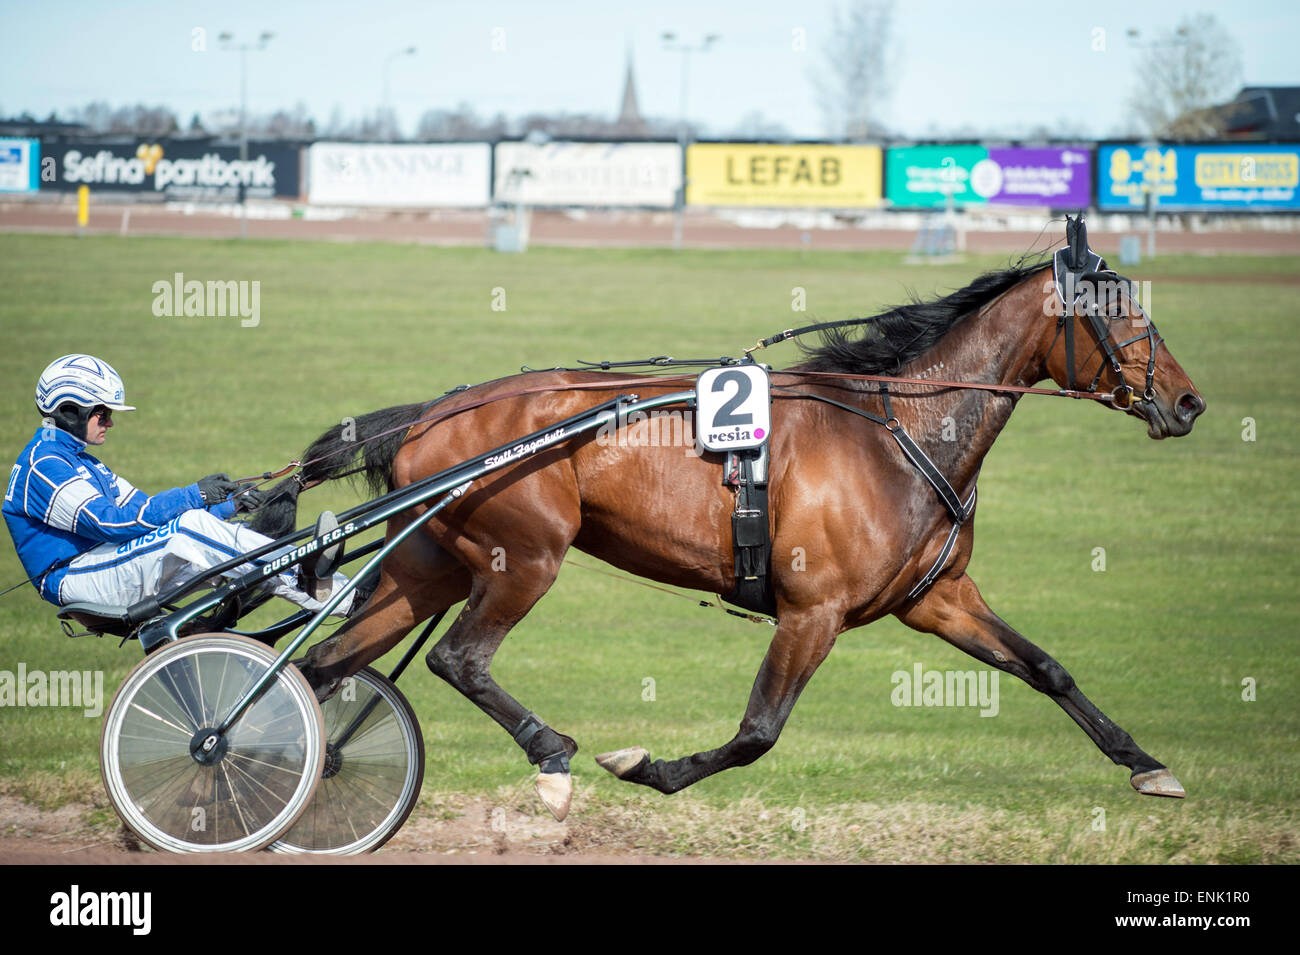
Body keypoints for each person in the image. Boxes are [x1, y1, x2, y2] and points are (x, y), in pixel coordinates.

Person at [3, 354, 356, 618]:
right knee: (191, 529)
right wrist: (195, 495)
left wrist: (227, 506)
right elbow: (112, 523)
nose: (110, 422)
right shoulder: (45, 465)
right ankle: (321, 583)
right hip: (74, 578)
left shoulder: (81, 462)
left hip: (100, 563)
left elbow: (142, 510)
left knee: (210, 531)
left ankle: (329, 586)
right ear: (67, 411)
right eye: (102, 413)